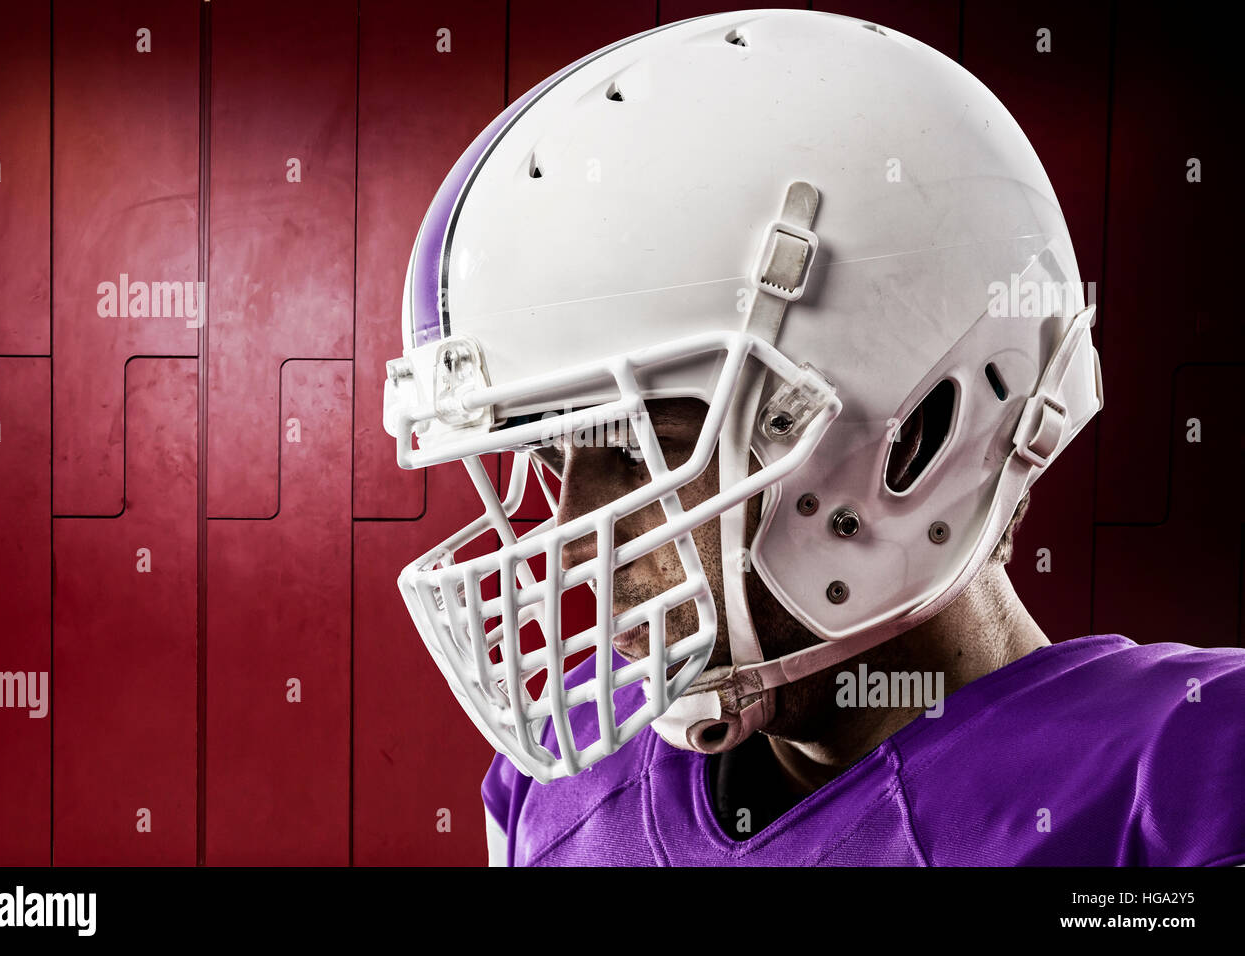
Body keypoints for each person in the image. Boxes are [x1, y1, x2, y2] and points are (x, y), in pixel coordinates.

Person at [381, 9, 1245, 866]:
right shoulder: (564, 779)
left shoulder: (1189, 794)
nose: (572, 551)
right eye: (550, 457)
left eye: (642, 452)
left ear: (912, 444)